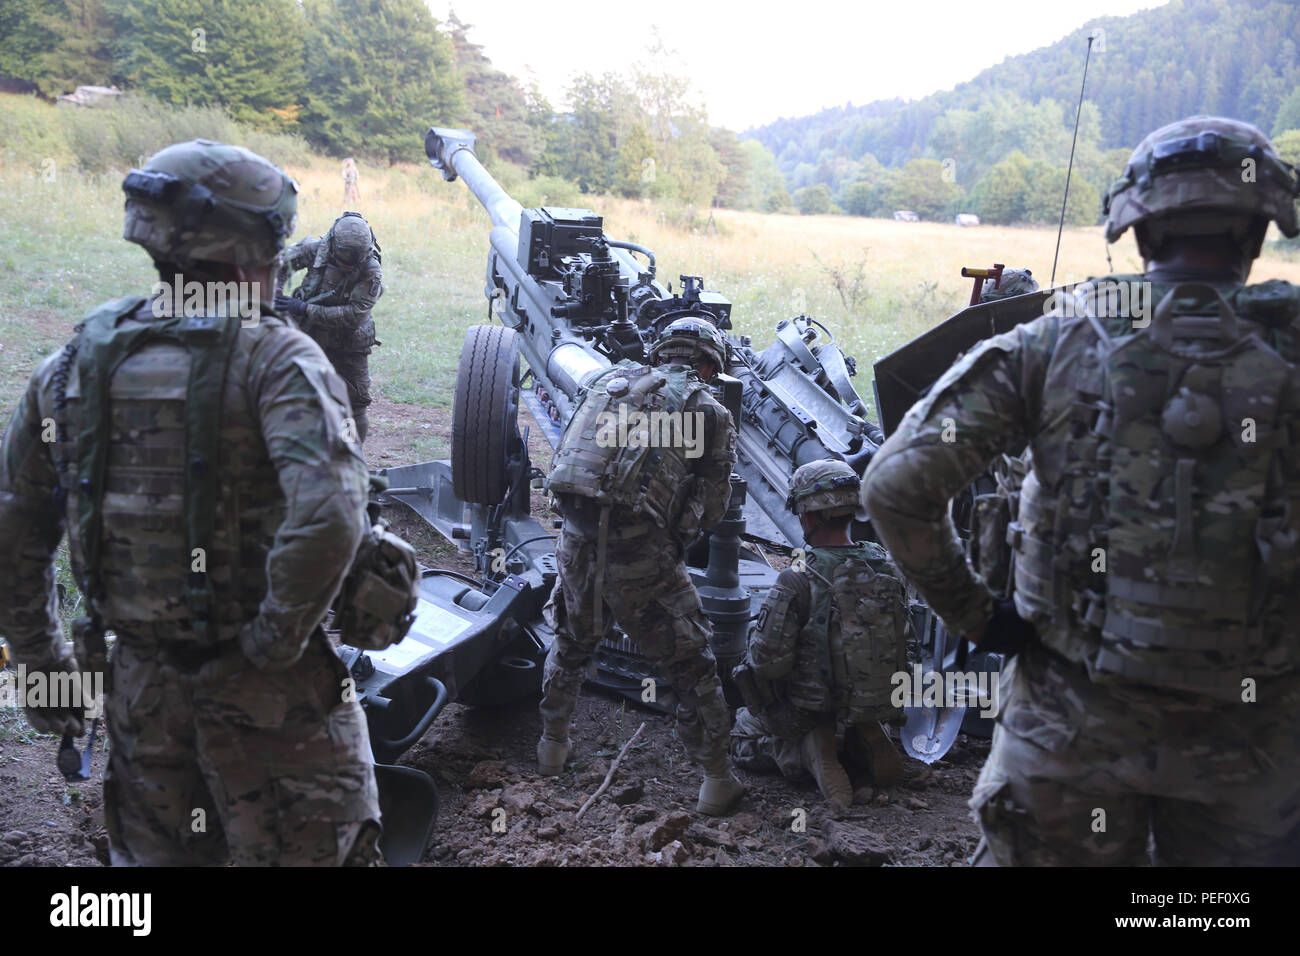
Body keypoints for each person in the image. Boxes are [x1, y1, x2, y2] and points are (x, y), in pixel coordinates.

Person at [862, 116, 1300, 865]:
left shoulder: (1053, 343)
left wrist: (980, 618)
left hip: (1070, 728)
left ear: (1141, 232)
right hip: (1255, 745)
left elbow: (897, 486)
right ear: (1260, 232)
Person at [0, 139, 383, 866]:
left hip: (143, 695)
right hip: (278, 704)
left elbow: (15, 526)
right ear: (254, 250)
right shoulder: (281, 361)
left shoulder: (71, 365)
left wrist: (45, 670)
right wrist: (270, 645)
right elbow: (332, 513)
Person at [538, 316, 745, 816]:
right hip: (641, 553)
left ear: (662, 353)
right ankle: (717, 780)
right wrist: (679, 535)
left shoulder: (611, 383)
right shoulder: (705, 409)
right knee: (691, 662)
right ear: (707, 362)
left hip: (577, 537)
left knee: (571, 641)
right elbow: (715, 503)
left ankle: (552, 747)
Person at [730, 459, 907, 810]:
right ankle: (863, 736)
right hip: (872, 702)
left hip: (808, 709)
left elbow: (768, 663)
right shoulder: (886, 566)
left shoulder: (798, 577)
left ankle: (808, 751)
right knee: (850, 715)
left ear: (806, 515)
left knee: (740, 735)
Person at [275, 211, 382, 444]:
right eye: (343, 257)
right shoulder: (317, 248)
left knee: (354, 404)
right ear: (333, 245)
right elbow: (279, 263)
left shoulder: (370, 270)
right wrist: (276, 291)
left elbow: (354, 315)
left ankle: (350, 453)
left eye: (352, 260)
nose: (346, 264)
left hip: (348, 342)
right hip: (309, 336)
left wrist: (304, 309)